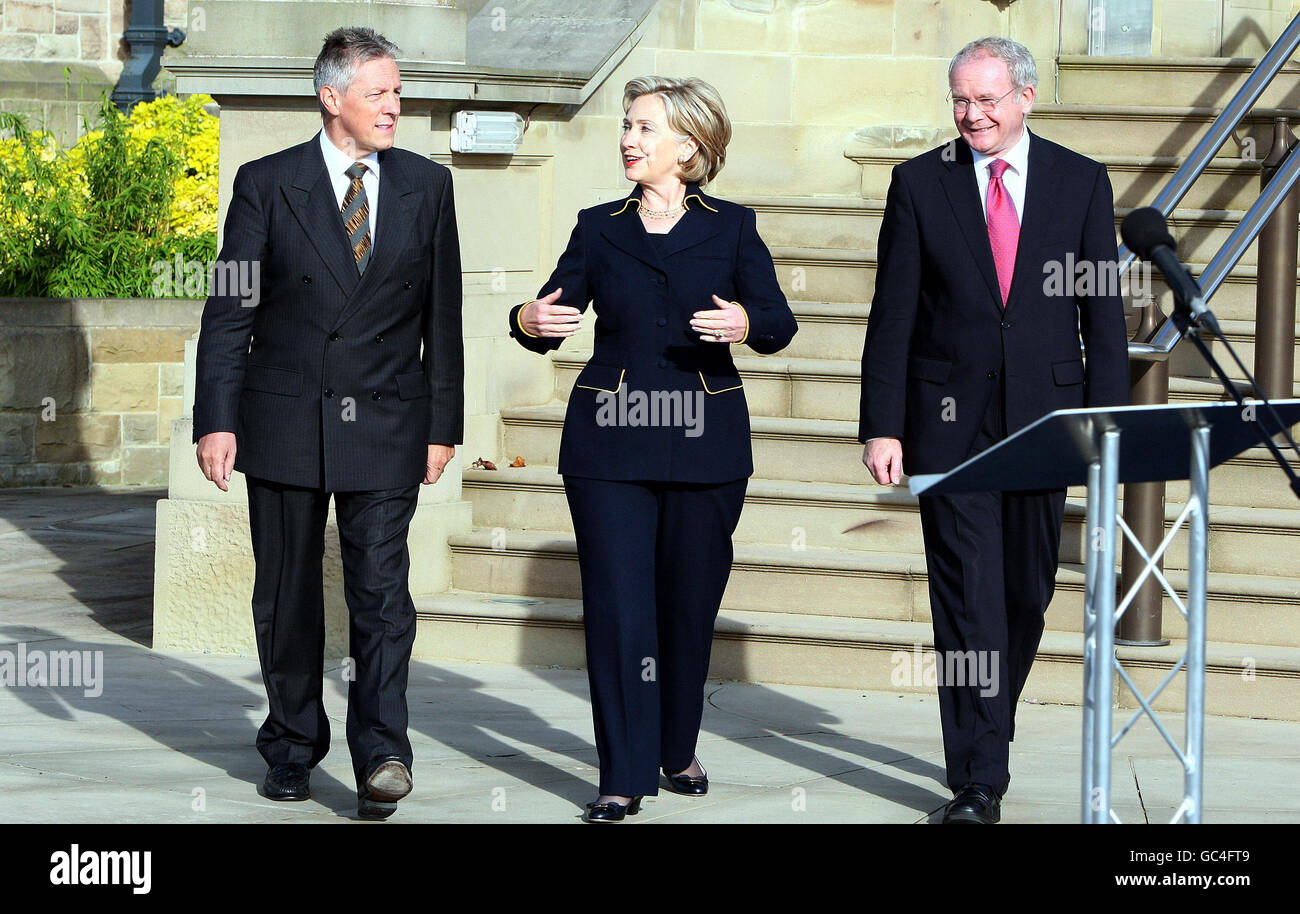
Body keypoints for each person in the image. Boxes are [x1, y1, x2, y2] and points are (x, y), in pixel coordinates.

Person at [509, 76, 797, 822]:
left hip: (706, 441)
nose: (630, 140)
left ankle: (676, 746)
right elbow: (549, 306)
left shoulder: (733, 227)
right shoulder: (597, 224)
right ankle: (623, 773)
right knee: (616, 608)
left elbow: (776, 320)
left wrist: (744, 323)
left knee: (688, 607)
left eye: (644, 127)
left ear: (690, 147)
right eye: (627, 127)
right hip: (609, 442)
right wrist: (528, 317)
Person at [193, 26, 463, 820]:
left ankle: (383, 752)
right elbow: (228, 310)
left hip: (387, 422)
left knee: (383, 596)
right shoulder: (266, 184)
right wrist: (216, 418)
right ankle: (290, 746)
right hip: (282, 424)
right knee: (286, 596)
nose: (394, 107)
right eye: (378, 93)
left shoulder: (427, 184)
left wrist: (442, 423)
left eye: (398, 92)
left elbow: (441, 315)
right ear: (331, 97)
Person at [858, 36, 1129, 823]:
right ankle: (977, 779)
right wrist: (883, 425)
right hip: (949, 426)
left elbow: (1102, 316)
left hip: (1045, 421)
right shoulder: (919, 184)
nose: (971, 115)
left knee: (1023, 594)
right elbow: (894, 314)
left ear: (1027, 98)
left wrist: (1104, 424)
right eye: (960, 101)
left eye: (986, 100)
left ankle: (989, 735)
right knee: (968, 598)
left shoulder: (1080, 181)